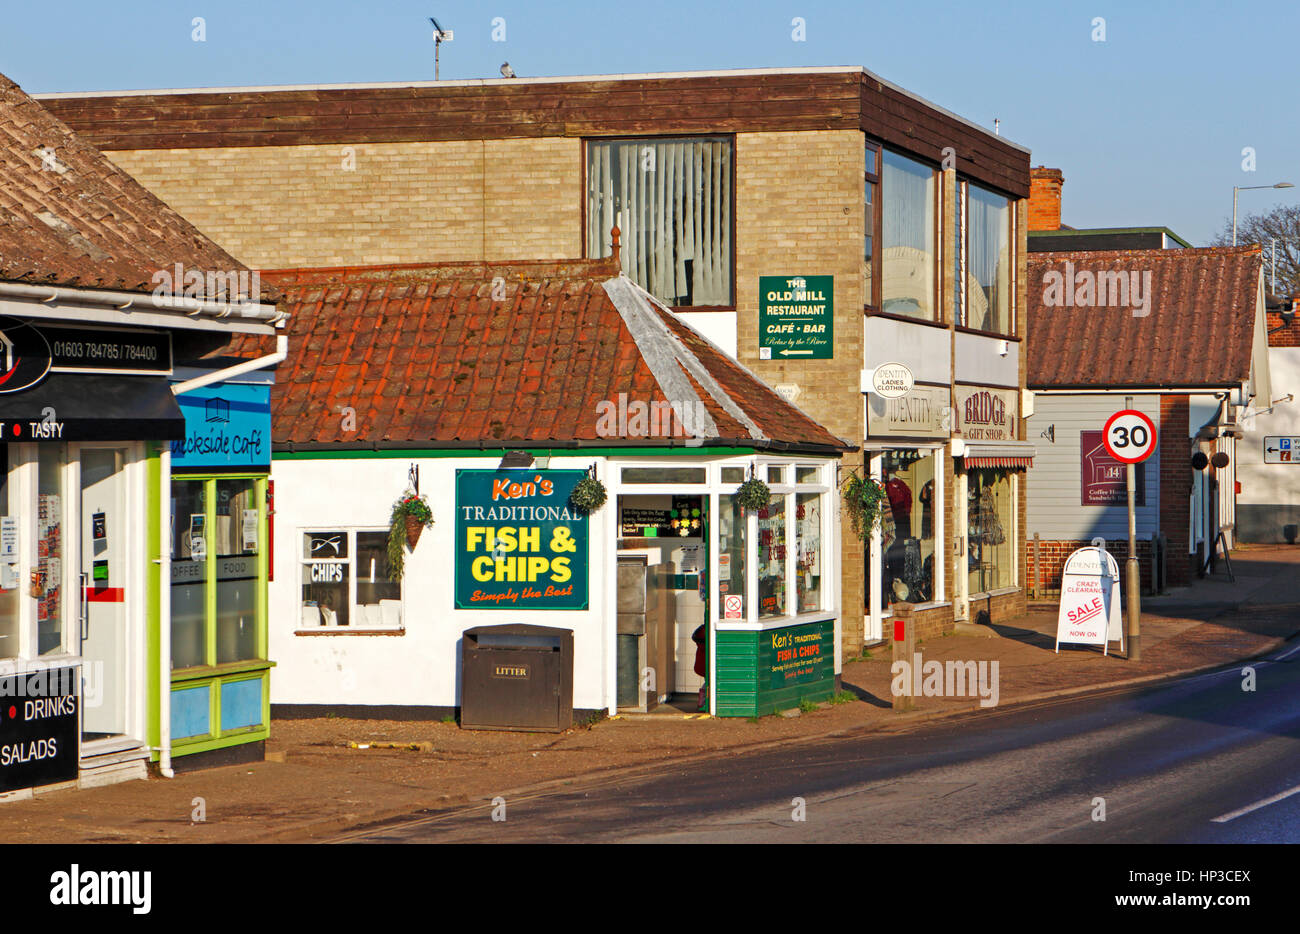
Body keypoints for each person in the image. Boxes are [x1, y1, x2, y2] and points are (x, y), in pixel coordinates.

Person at [692, 624, 708, 711]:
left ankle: (701, 702)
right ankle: (703, 703)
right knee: (709, 682)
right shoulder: (705, 632)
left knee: (707, 682)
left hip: (701, 665)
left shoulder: (701, 632)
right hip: (705, 665)